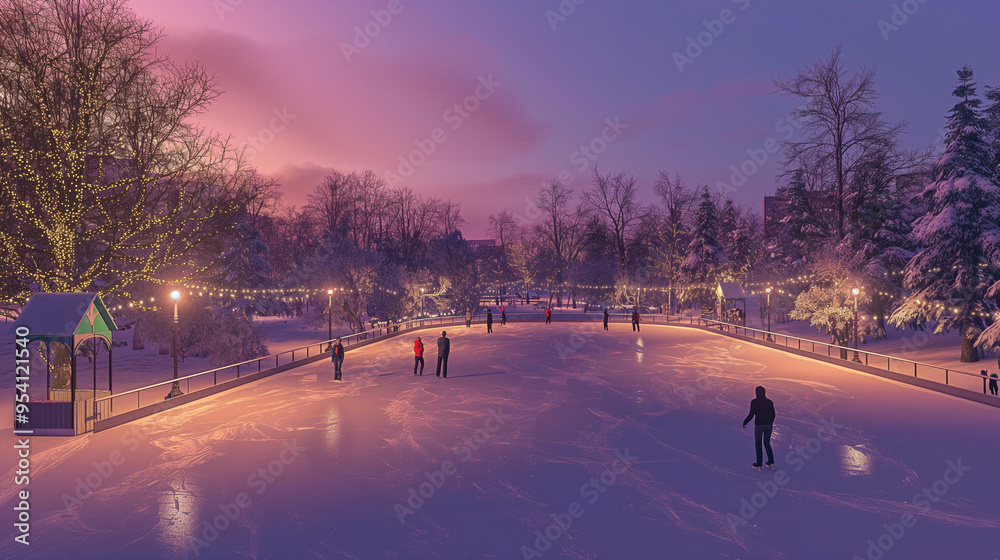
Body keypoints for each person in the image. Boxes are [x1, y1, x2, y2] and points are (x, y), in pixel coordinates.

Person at [743, 385, 776, 469]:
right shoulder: (770, 402)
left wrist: (745, 422)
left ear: (756, 393)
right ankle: (770, 461)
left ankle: (759, 463)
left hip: (759, 425)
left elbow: (751, 414)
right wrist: (770, 423)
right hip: (768, 425)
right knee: (766, 443)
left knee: (758, 443)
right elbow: (773, 414)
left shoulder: (754, 402)